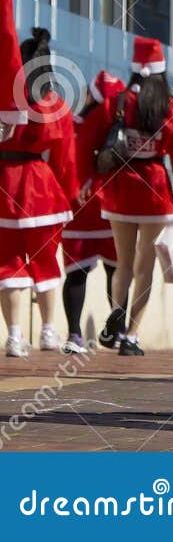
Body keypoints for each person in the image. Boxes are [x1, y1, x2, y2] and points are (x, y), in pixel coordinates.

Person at [80, 37, 173, 356]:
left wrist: (86, 180)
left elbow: (85, 139)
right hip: (155, 193)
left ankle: (116, 316)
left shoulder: (117, 103)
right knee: (144, 268)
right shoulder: (169, 108)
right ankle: (132, 337)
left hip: (120, 189)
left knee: (123, 264)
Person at [1, 29, 76, 357]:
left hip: (4, 184)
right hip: (42, 189)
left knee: (7, 263)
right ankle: (48, 331)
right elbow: (65, 159)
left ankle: (14, 336)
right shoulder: (55, 104)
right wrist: (69, 194)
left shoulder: (3, 100)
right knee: (46, 261)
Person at [61, 71, 124, 353]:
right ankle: (118, 333)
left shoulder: (74, 124)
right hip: (113, 206)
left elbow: (65, 163)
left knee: (77, 272)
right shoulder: (124, 125)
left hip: (81, 206)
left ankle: (74, 335)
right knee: (117, 272)